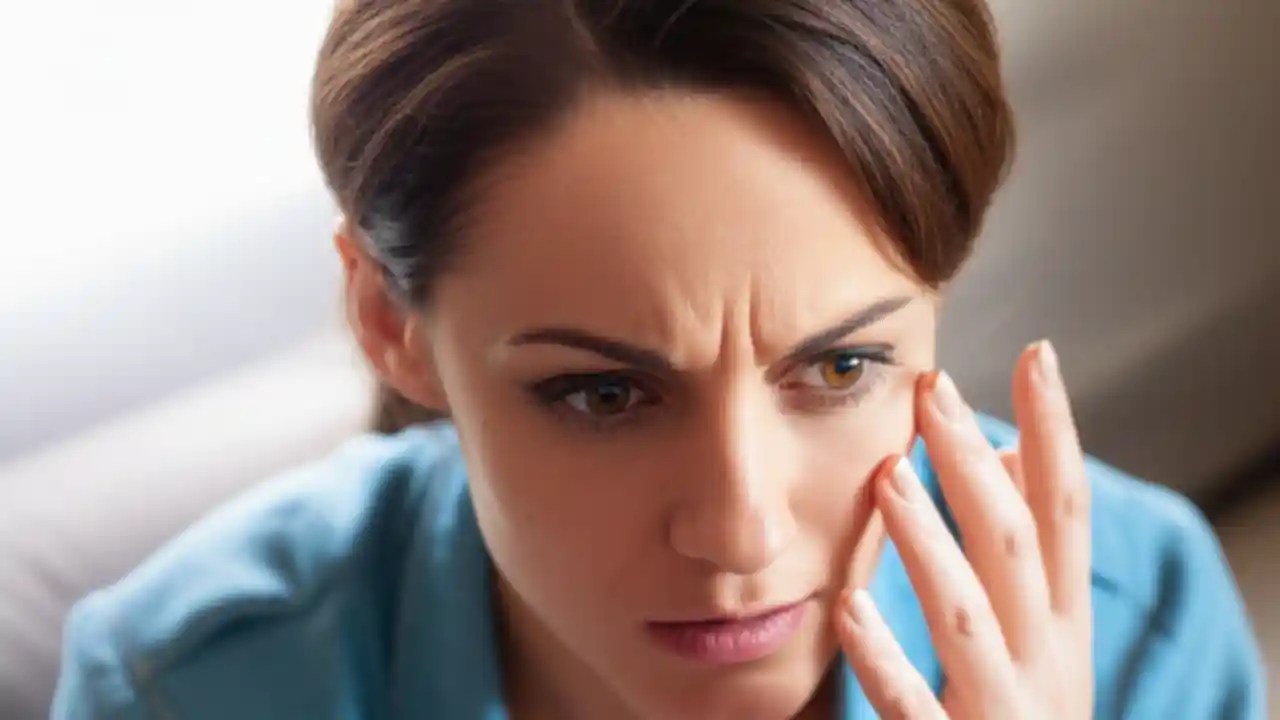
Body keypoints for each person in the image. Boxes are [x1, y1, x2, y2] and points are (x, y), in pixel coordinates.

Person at [53, 0, 1265, 718]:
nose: (738, 533)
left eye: (840, 370)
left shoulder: (1140, 631)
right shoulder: (178, 690)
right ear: (389, 323)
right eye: (603, 393)